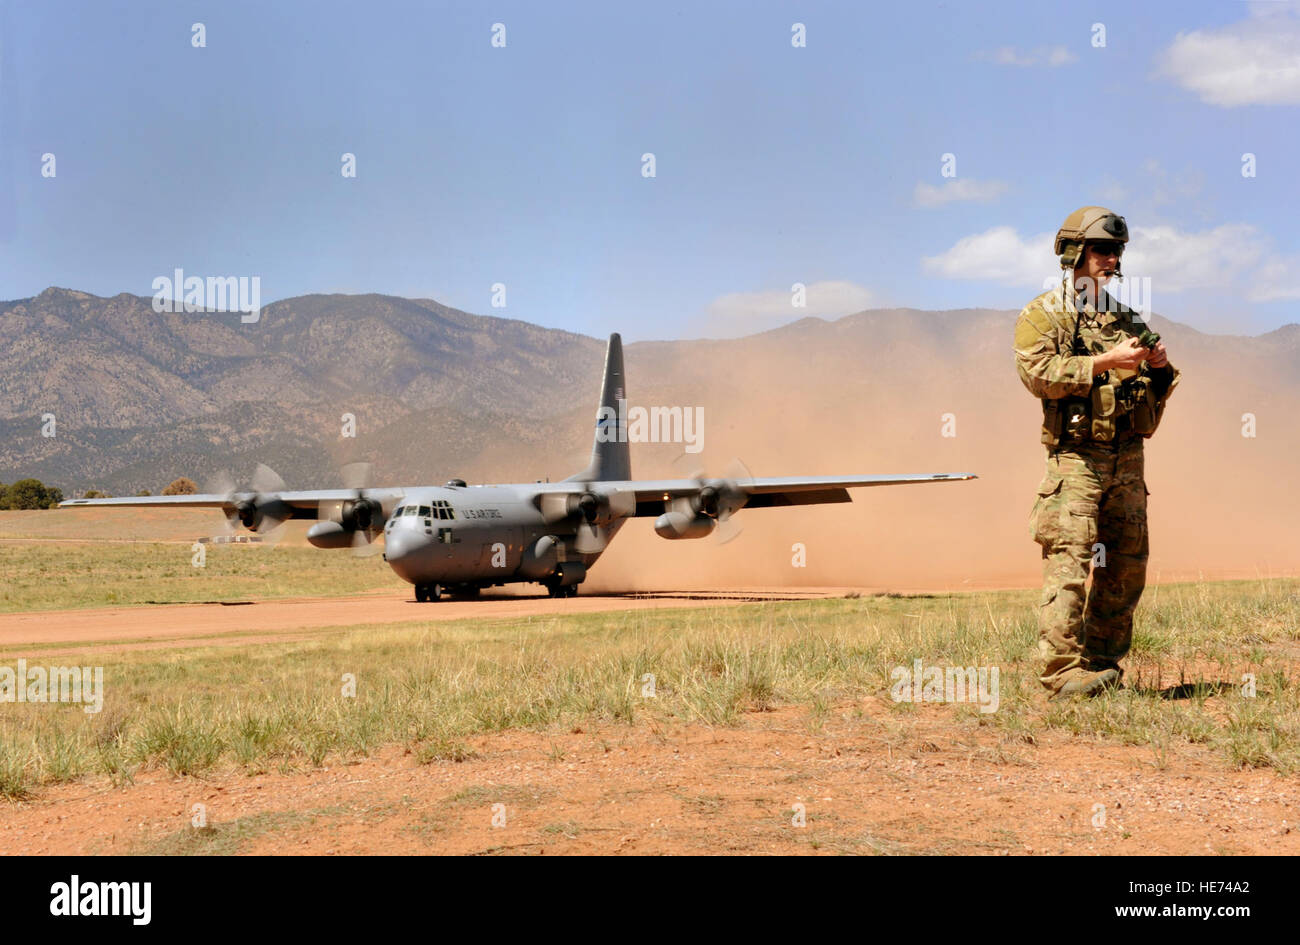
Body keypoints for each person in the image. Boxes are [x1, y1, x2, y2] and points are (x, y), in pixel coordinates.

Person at [1013, 206, 1180, 698]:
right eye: (1102, 249)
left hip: (1127, 458)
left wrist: (1160, 369)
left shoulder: (1124, 317)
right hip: (1078, 460)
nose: (1111, 259)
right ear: (1074, 252)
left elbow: (1152, 386)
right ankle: (1061, 674)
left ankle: (1101, 666)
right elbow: (1038, 374)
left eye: (1117, 251)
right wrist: (1106, 361)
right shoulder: (1044, 314)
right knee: (1070, 563)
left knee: (1125, 564)